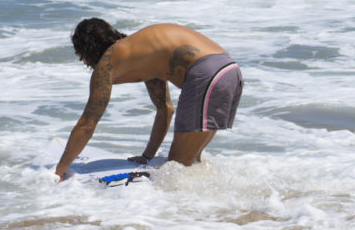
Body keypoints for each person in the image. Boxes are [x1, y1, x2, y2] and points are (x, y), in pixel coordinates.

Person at [54, 19, 242, 181]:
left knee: (176, 171)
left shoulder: (107, 63)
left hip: (206, 74)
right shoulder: (143, 54)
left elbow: (87, 125)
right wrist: (147, 156)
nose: (84, 63)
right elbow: (165, 109)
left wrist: (59, 171)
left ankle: (184, 218)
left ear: (87, 49)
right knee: (191, 163)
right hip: (229, 70)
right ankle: (214, 212)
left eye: (81, 56)